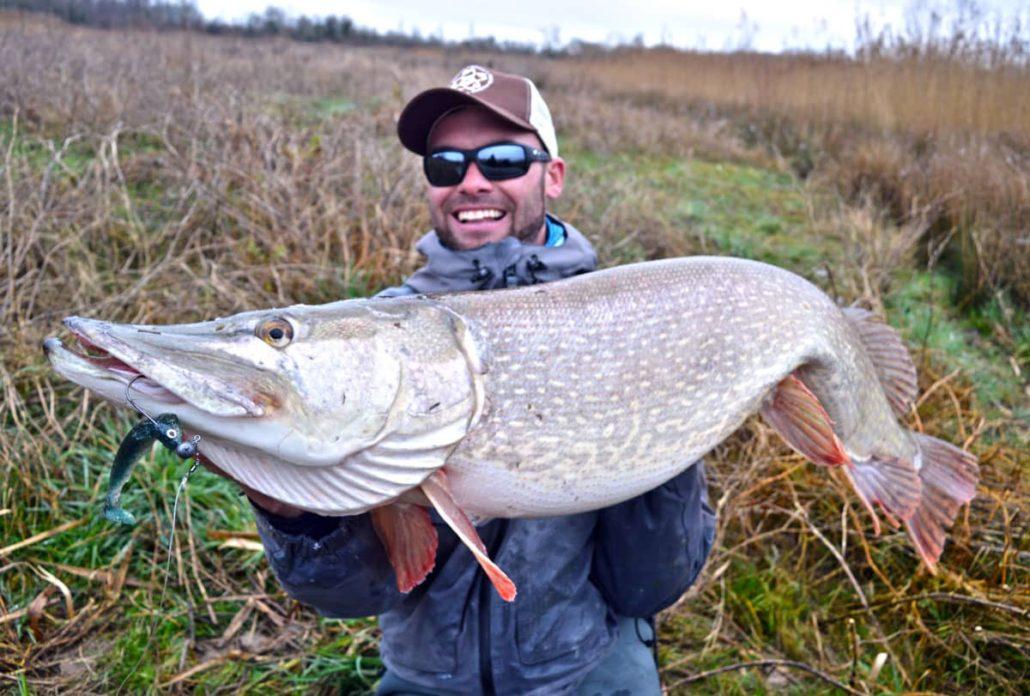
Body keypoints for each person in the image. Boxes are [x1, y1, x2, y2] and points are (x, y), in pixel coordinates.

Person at [207, 65, 716, 696]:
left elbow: (649, 585)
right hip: (427, 676)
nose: (471, 182)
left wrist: (667, 432)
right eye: (445, 164)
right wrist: (290, 510)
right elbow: (353, 595)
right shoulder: (373, 341)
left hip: (589, 663)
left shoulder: (632, 321)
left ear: (552, 176)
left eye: (502, 159)